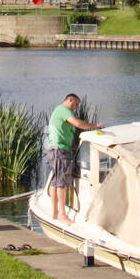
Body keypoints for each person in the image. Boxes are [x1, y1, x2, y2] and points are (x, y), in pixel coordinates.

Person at [47, 93, 99, 224]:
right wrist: (95, 127)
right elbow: (78, 124)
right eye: (76, 104)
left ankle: (54, 213)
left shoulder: (59, 111)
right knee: (62, 182)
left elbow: (64, 131)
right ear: (70, 100)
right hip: (60, 150)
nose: (76, 108)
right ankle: (62, 214)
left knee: (56, 181)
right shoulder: (64, 110)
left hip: (56, 149)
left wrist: (74, 146)